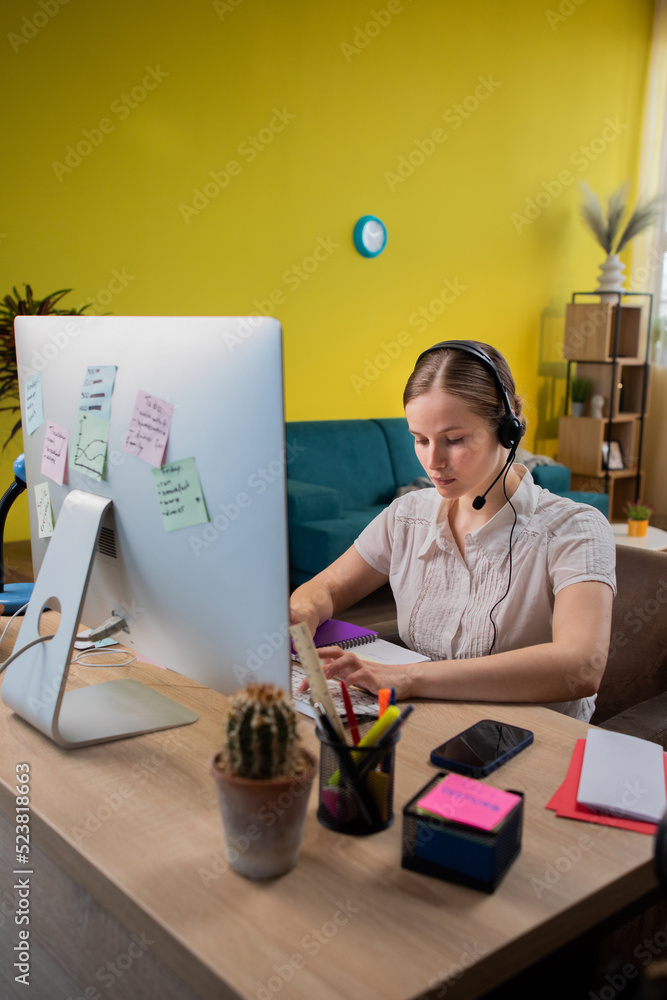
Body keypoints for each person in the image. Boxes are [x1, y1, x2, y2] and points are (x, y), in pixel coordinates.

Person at [289, 340, 616, 722]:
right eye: (420, 440)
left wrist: (409, 677)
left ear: (509, 429)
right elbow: (328, 588)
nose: (433, 461)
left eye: (454, 440)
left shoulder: (575, 529)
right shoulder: (408, 516)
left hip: (534, 737)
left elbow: (581, 667)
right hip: (428, 721)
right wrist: (300, 613)